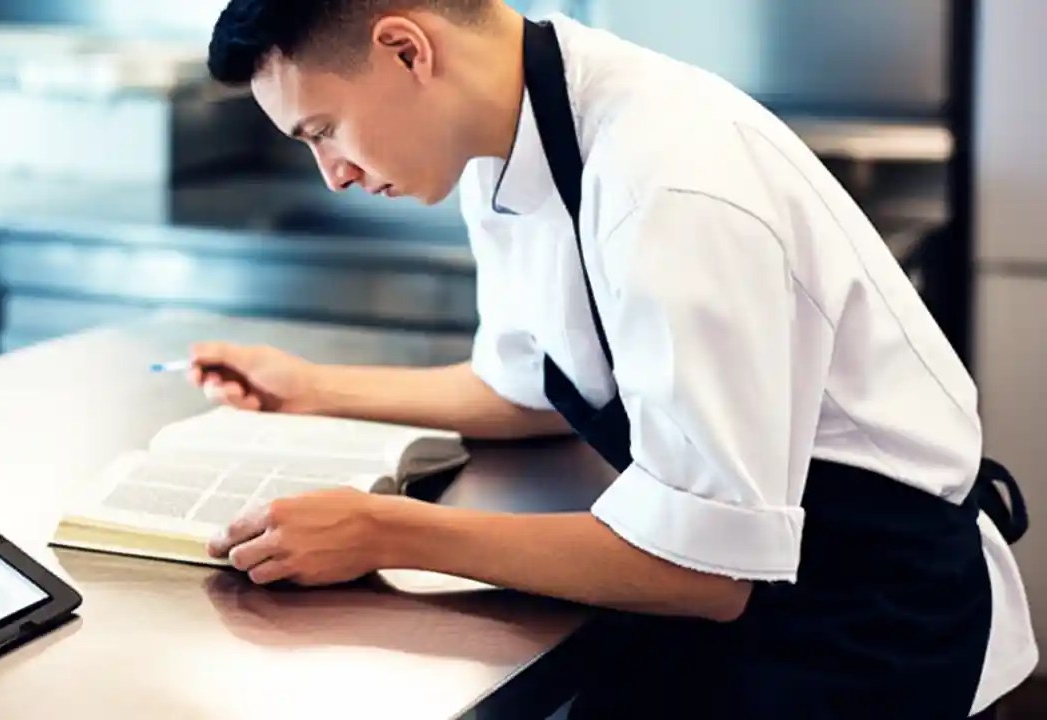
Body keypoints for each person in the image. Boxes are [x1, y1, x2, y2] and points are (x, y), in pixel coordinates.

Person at [194, 1, 1036, 717]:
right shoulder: (501, 138)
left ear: (408, 49)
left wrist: (386, 530)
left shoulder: (668, 182)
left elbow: (704, 570)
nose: (332, 173)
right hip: (744, 603)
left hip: (865, 618)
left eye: (324, 130)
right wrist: (313, 388)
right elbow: (537, 387)